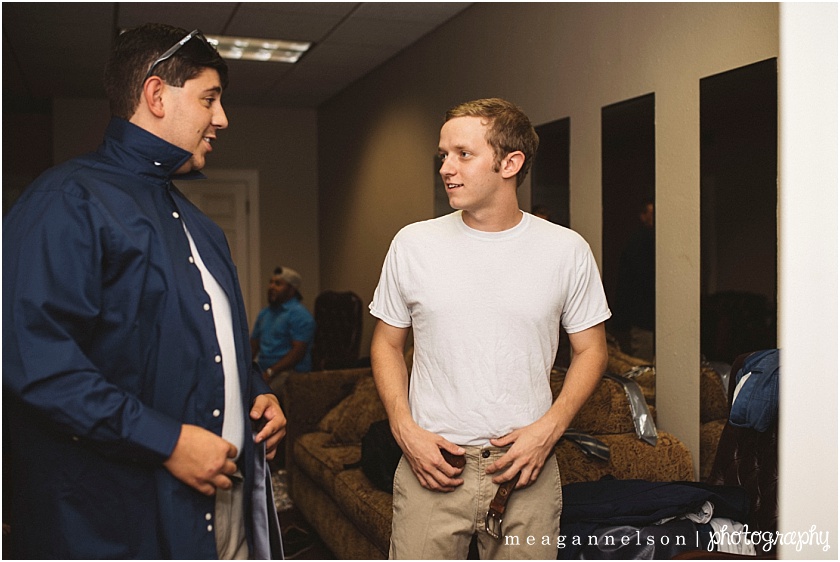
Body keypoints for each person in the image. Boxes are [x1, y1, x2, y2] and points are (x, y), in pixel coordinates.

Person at [2, 23, 285, 559]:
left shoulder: (203, 228)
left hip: (224, 512)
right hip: (114, 521)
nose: (221, 119)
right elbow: (33, 359)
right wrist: (168, 441)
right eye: (209, 99)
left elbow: (212, 343)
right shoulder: (67, 199)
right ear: (156, 94)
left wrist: (256, 391)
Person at [369, 98, 611, 559]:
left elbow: (592, 350)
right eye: (443, 155)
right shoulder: (413, 244)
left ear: (510, 162)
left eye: (463, 154)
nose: (446, 168)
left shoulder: (566, 250)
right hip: (433, 466)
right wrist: (403, 429)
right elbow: (385, 343)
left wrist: (550, 430)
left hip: (526, 473)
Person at [250, 266, 316, 389]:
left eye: (278, 284)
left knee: (258, 394)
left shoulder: (300, 315)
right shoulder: (265, 313)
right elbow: (253, 346)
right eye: (271, 282)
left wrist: (271, 372)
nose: (271, 287)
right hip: (263, 370)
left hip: (289, 374)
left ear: (292, 289)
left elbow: (298, 353)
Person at [613, 198, 655, 361]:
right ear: (643, 216)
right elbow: (635, 279)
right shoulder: (638, 242)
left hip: (651, 314)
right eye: (651, 214)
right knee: (643, 362)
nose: (654, 218)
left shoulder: (659, 240)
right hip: (642, 314)